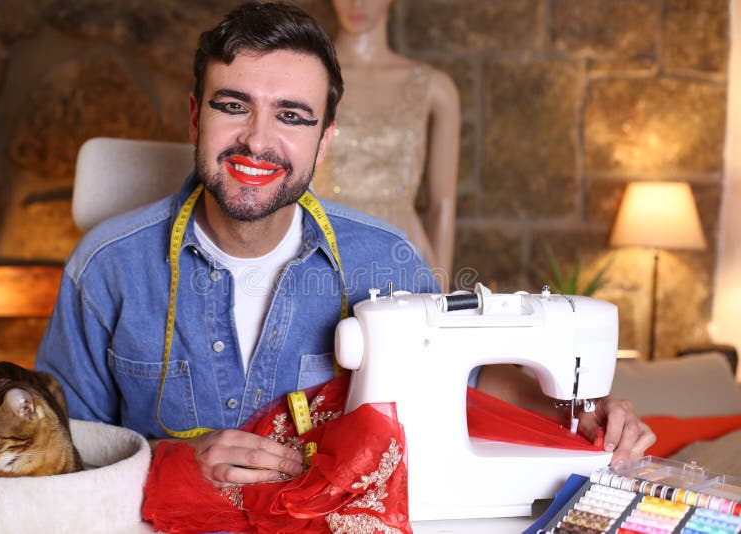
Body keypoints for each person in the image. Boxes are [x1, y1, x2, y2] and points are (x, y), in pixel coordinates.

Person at [35, 1, 654, 492]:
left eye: (292, 116)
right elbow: (58, 454)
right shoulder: (105, 269)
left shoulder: (387, 262)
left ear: (324, 141)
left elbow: (465, 379)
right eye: (233, 106)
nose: (257, 140)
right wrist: (171, 462)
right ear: (195, 117)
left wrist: (577, 413)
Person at [312, 0, 460, 287]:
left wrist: (440, 291)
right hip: (327, 245)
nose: (357, 3)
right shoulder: (309, 78)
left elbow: (443, 203)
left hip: (404, 252)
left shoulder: (435, 88)